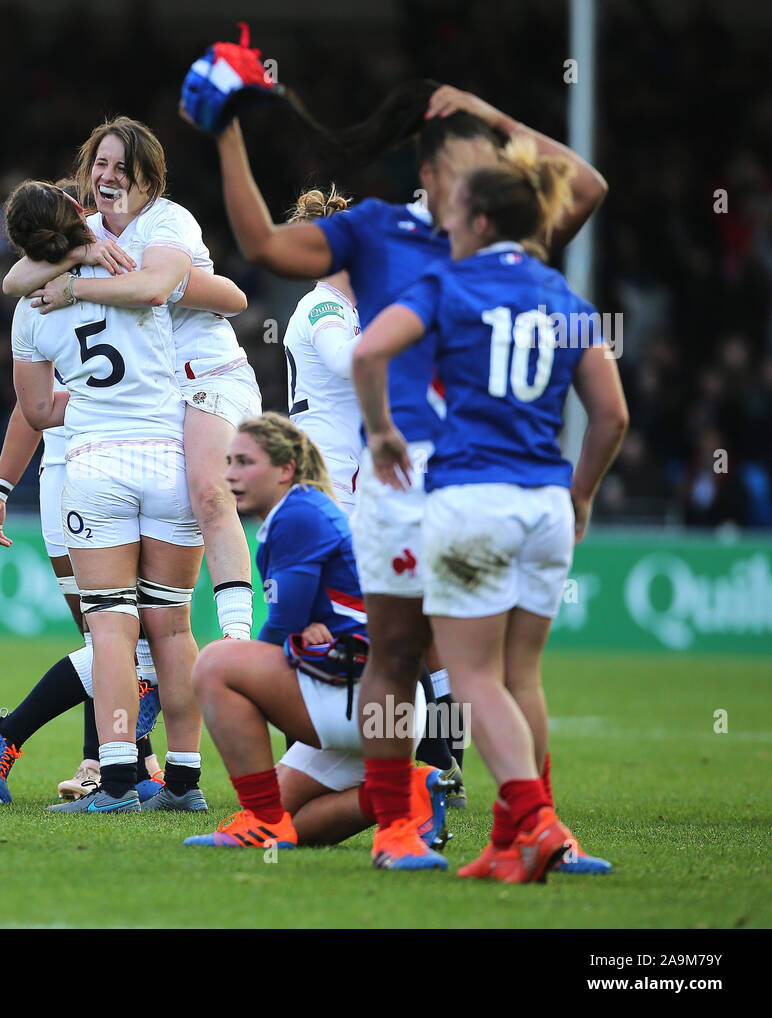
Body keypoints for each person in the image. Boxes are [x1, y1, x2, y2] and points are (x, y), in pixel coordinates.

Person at [192, 79, 607, 870]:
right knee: (404, 654)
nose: (494, 170)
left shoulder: (495, 243)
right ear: (434, 174)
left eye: (497, 158)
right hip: (397, 479)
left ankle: (517, 823)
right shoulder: (380, 232)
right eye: (478, 158)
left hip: (466, 481)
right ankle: (404, 819)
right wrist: (228, 134)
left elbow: (586, 186)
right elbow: (267, 248)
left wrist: (489, 109)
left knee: (479, 667)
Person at [352, 138, 627, 881]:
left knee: (467, 678)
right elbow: (612, 417)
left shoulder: (451, 285)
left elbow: (370, 352)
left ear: (473, 219)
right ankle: (517, 840)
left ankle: (535, 826)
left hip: (472, 495)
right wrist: (581, 495)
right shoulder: (566, 297)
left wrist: (380, 432)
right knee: (521, 677)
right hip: (546, 502)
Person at [0, 179, 207, 813]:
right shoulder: (135, 259)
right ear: (79, 214)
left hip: (95, 464)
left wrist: (99, 400)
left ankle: (117, 778)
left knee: (110, 631)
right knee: (172, 631)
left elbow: (39, 408)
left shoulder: (31, 304)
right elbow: (223, 295)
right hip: (168, 457)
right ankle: (183, 780)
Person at [185, 413, 454, 850]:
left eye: (245, 462)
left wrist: (293, 643)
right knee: (293, 831)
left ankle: (261, 818)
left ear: (286, 469)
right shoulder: (293, 513)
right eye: (229, 461)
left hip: (365, 694)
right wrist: (302, 638)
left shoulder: (300, 513)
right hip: (377, 701)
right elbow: (309, 621)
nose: (230, 473)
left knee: (216, 662)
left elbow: (280, 632)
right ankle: (410, 791)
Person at [278, 186, 363, 511]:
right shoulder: (321, 304)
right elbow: (342, 360)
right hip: (326, 472)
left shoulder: (354, 311)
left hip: (354, 471)